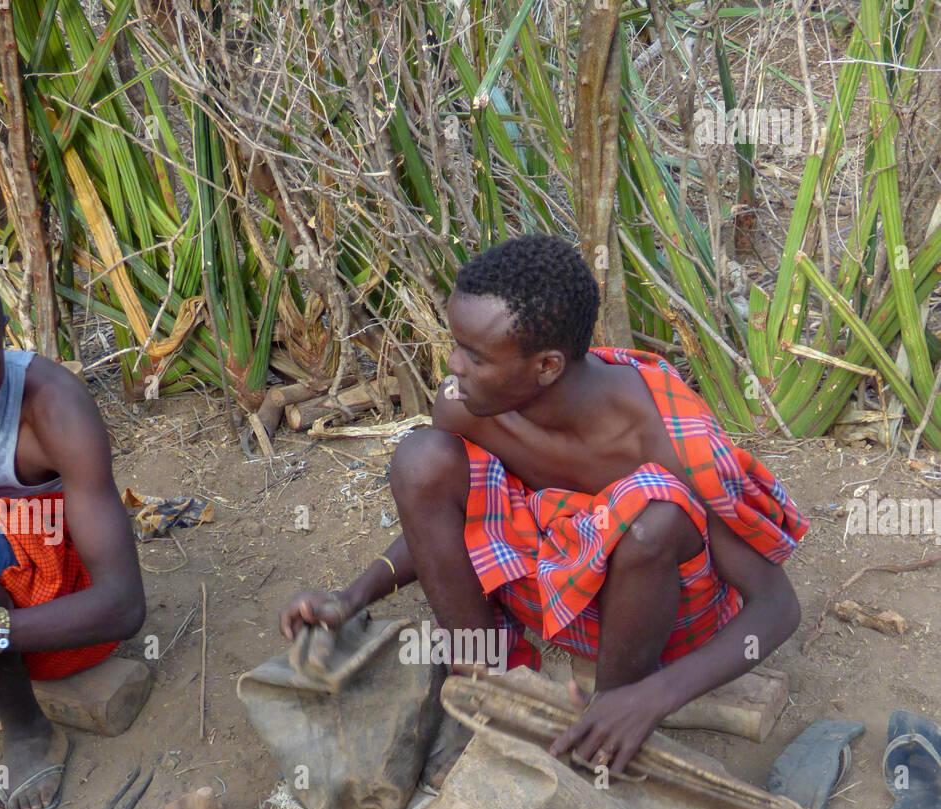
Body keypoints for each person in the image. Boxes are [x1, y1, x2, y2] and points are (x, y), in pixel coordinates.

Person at [279, 235, 807, 775]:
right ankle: (488, 677)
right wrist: (353, 596)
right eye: (456, 343)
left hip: (657, 621)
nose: (453, 365)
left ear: (548, 366)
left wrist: (656, 696)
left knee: (656, 516)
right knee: (420, 459)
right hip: (548, 590)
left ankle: (608, 711)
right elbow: (446, 521)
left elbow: (776, 607)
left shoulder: (668, 441)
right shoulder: (468, 407)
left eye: (476, 356)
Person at [0, 257, 145, 809]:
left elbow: (123, 604)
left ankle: (28, 731)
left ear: (4, 340)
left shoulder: (52, 407)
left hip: (61, 621)